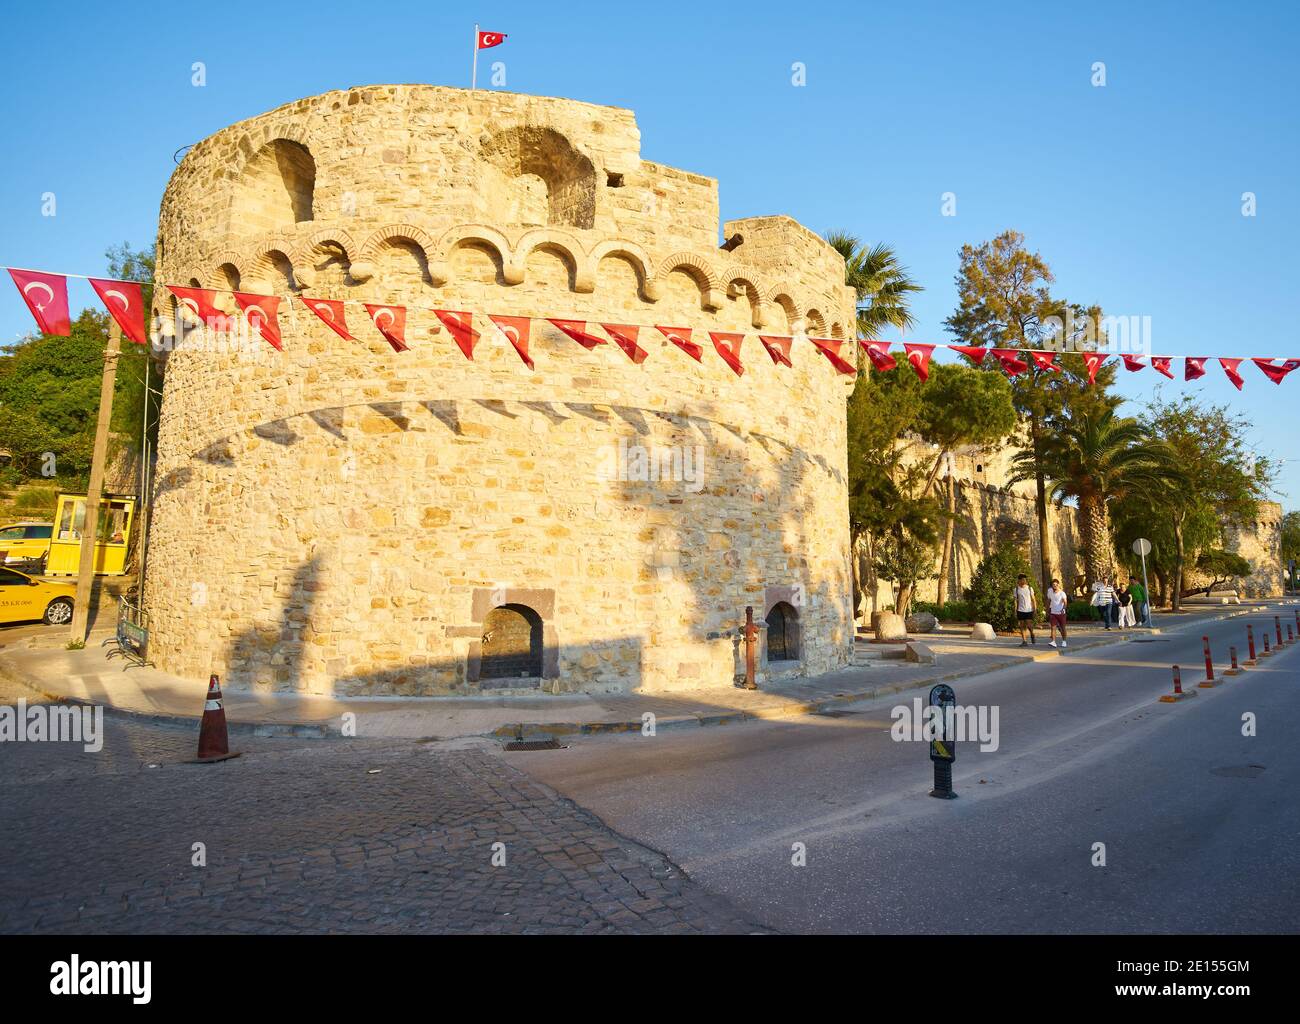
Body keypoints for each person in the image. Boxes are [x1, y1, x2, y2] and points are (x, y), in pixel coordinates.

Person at [1013, 573, 1037, 646]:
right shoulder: (1016, 589)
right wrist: (1015, 610)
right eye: (1023, 580)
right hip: (1020, 610)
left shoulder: (1029, 588)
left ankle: (1032, 634)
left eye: (1025, 580)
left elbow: (1033, 599)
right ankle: (1024, 641)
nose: (1024, 581)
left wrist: (1035, 609)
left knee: (1029, 625)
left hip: (1029, 609)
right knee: (1022, 626)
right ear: (1019, 580)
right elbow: (1015, 600)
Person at [1046, 578, 1069, 648]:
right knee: (1053, 628)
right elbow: (1048, 600)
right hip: (1053, 613)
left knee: (1063, 627)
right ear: (1052, 586)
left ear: (1058, 585)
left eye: (1056, 585)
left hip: (1061, 613)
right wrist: (1047, 609)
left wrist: (1063, 608)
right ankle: (1053, 642)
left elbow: (1065, 602)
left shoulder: (1062, 593)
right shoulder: (1049, 591)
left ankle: (1064, 641)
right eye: (1053, 585)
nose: (1055, 586)